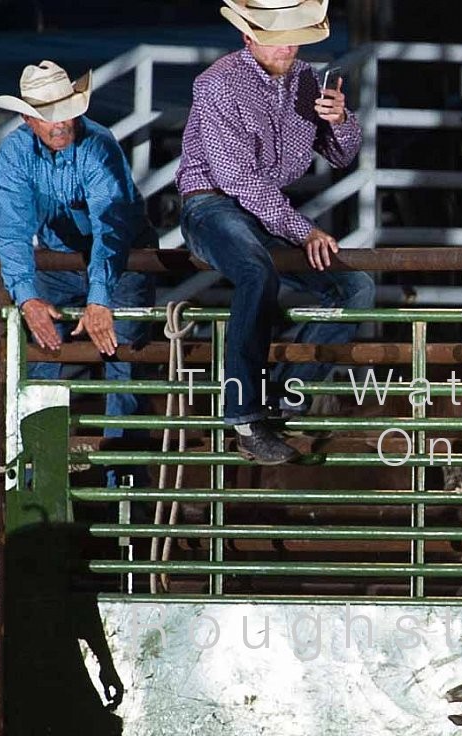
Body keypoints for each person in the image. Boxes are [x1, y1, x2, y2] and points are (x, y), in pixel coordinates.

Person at [176, 0, 375, 465]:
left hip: (265, 209)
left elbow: (341, 156)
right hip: (210, 203)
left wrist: (341, 121)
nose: (288, 44)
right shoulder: (217, 84)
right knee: (255, 271)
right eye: (276, 34)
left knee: (357, 287)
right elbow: (237, 179)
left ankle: (287, 390)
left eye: (294, 34)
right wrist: (303, 230)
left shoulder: (308, 79)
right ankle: (243, 414)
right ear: (249, 37)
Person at [0, 60, 156, 461]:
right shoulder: (13, 157)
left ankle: (124, 480)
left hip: (123, 262)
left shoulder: (99, 146)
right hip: (59, 264)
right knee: (43, 358)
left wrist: (100, 297)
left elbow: (111, 226)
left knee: (125, 360)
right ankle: (26, 469)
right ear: (28, 118)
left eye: (65, 113)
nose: (60, 124)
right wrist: (27, 299)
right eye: (48, 117)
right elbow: (10, 233)